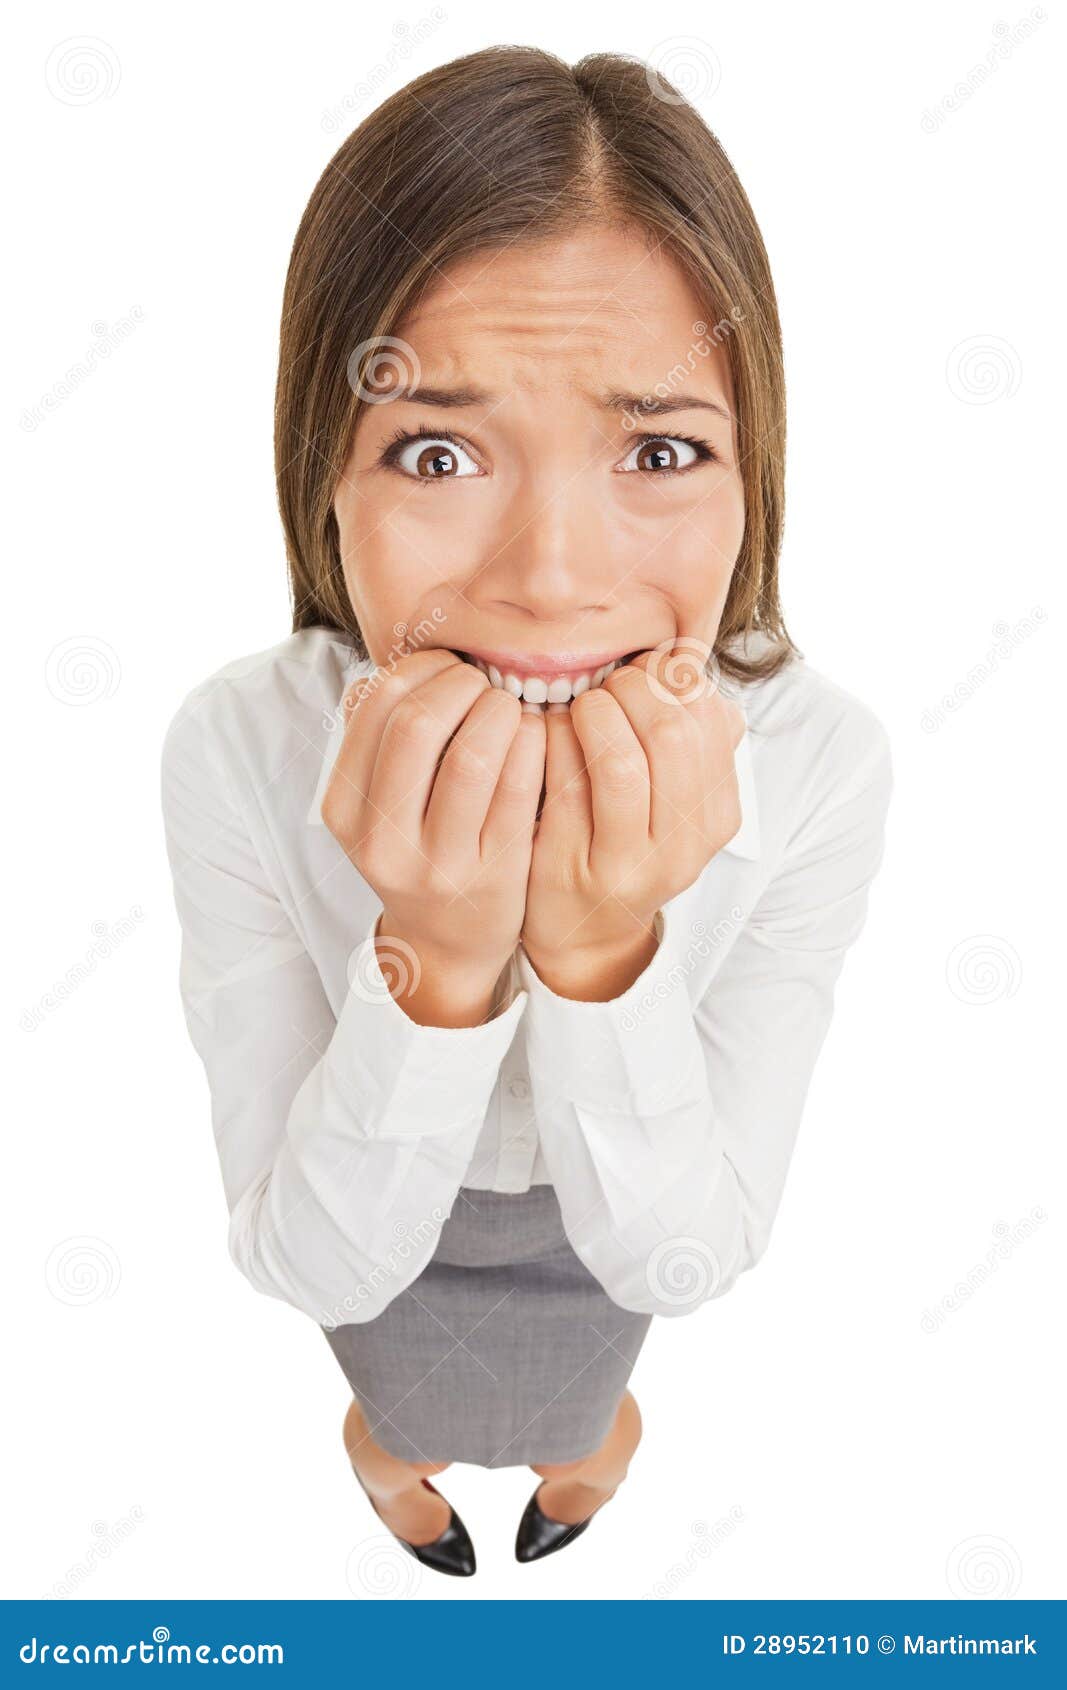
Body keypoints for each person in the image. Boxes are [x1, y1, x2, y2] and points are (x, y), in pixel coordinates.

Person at [160, 45, 893, 1577]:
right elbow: (312, 1255)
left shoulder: (820, 759)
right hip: (374, 1215)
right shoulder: (239, 740)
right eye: (438, 449)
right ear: (326, 483)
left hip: (611, 1216)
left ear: (752, 473)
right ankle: (393, 1470)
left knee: (585, 1410)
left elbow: (680, 1254)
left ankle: (587, 1459)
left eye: (660, 448)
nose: (554, 577)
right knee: (396, 1406)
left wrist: (605, 954)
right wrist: (431, 954)